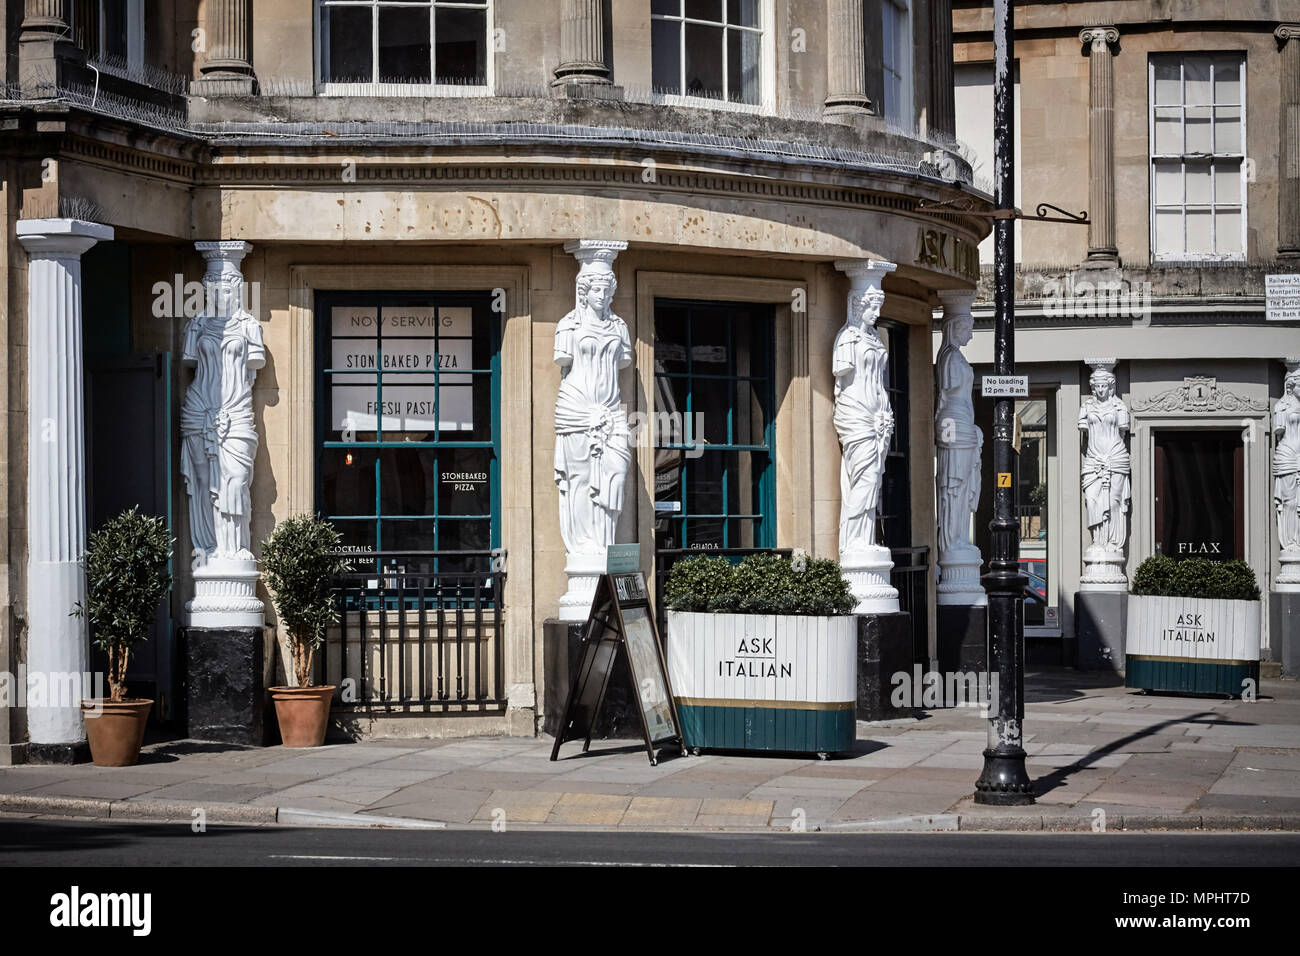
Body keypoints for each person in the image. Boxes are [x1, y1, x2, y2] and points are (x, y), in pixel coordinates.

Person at [554, 261, 633, 556]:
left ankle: (605, 544)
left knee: (617, 473)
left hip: (611, 410)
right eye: (595, 290)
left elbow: (623, 360)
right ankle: (584, 548)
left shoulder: (619, 327)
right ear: (584, 293)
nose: (600, 295)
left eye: (605, 290)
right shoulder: (568, 325)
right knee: (580, 479)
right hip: (575, 406)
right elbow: (563, 360)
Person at [833, 285, 893, 554]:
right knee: (864, 477)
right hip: (857, 412)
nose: (877, 313)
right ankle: (854, 540)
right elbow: (843, 379)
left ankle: (866, 539)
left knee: (875, 478)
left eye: (879, 306)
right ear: (858, 307)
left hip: (879, 413)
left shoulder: (877, 339)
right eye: (872, 306)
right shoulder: (847, 338)